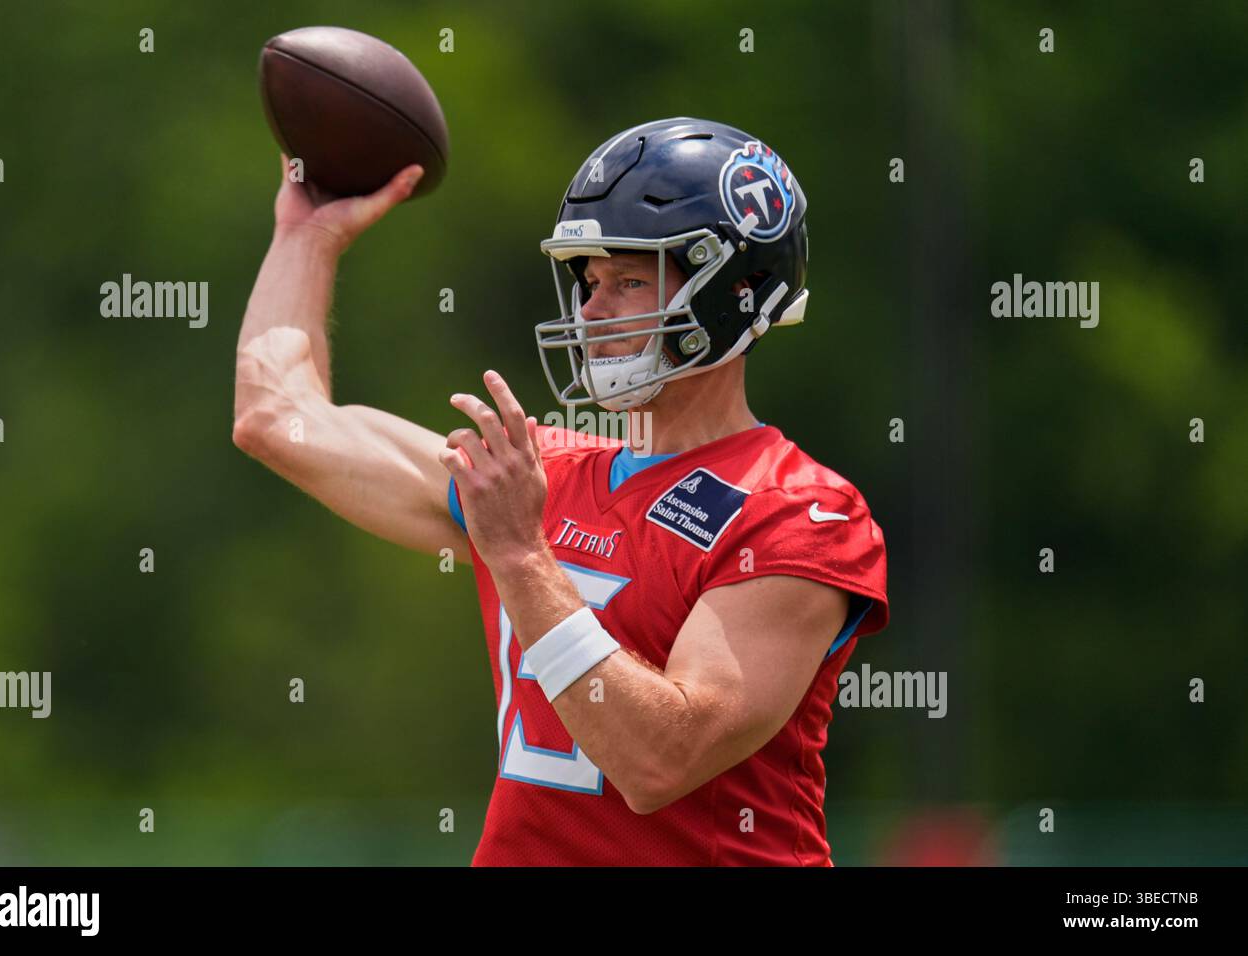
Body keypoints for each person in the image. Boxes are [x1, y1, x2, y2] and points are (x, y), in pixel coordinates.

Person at [233, 117, 888, 865]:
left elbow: (660, 760)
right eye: (589, 281)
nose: (592, 310)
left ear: (735, 292)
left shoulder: (799, 511)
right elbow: (277, 417)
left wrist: (518, 551)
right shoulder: (540, 474)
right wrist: (307, 239)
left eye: (630, 279)